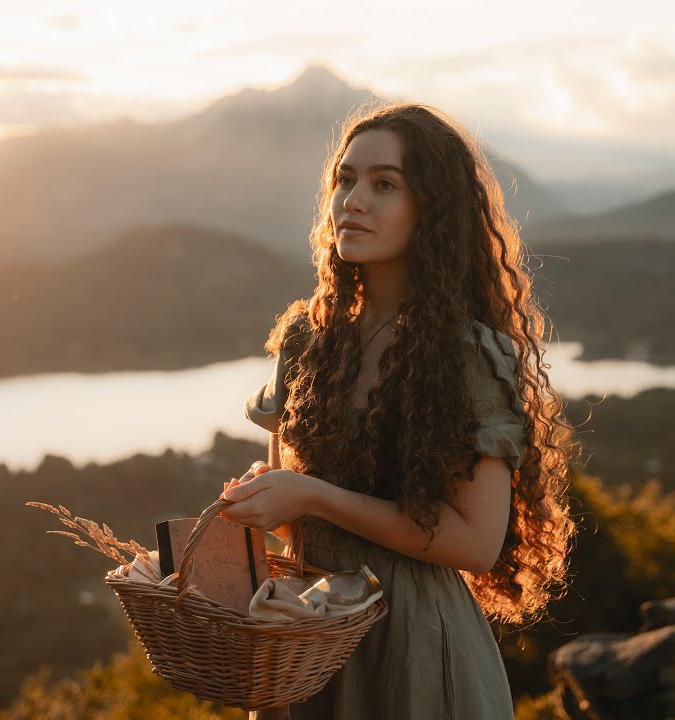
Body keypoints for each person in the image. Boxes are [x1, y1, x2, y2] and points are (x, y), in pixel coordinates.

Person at [220, 102, 579, 720]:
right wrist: (266, 501)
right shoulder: (309, 339)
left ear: (432, 210)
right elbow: (294, 519)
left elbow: (475, 542)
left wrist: (312, 495)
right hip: (308, 647)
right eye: (346, 179)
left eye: (385, 184)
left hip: (415, 654)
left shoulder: (465, 356)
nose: (354, 201)